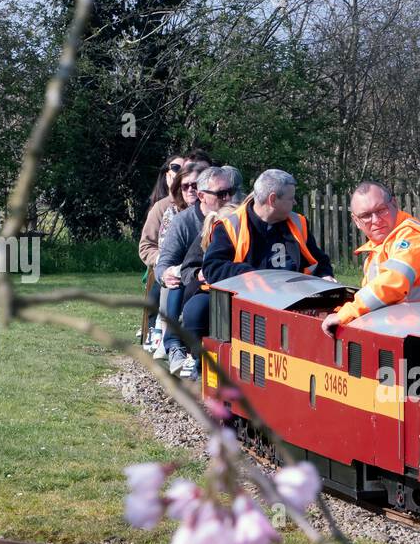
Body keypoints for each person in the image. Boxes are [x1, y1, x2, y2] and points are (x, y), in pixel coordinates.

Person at [322, 181, 420, 336]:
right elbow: (376, 297)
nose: (376, 220)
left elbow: (394, 282)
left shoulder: (413, 236)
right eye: (366, 215)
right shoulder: (378, 248)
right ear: (356, 221)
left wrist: (347, 313)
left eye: (381, 210)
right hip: (410, 332)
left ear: (394, 204)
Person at [161, 166, 245, 379]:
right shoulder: (190, 223)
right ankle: (175, 344)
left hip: (242, 289)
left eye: (231, 192)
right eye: (221, 194)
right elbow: (175, 263)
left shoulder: (244, 220)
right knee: (181, 290)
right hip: (201, 286)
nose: (228, 198)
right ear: (202, 196)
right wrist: (195, 273)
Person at [202, 169, 333, 286]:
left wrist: (324, 275)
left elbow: (319, 260)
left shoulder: (298, 222)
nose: (295, 202)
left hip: (294, 295)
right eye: (291, 198)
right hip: (249, 297)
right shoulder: (230, 226)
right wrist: (250, 275)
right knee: (196, 310)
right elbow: (212, 267)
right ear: (273, 200)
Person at [139, 151, 210, 351]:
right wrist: (163, 262)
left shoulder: (217, 212)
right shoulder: (165, 209)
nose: (192, 190)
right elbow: (147, 245)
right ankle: (164, 335)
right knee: (167, 283)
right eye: (187, 185)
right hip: (171, 266)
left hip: (198, 269)